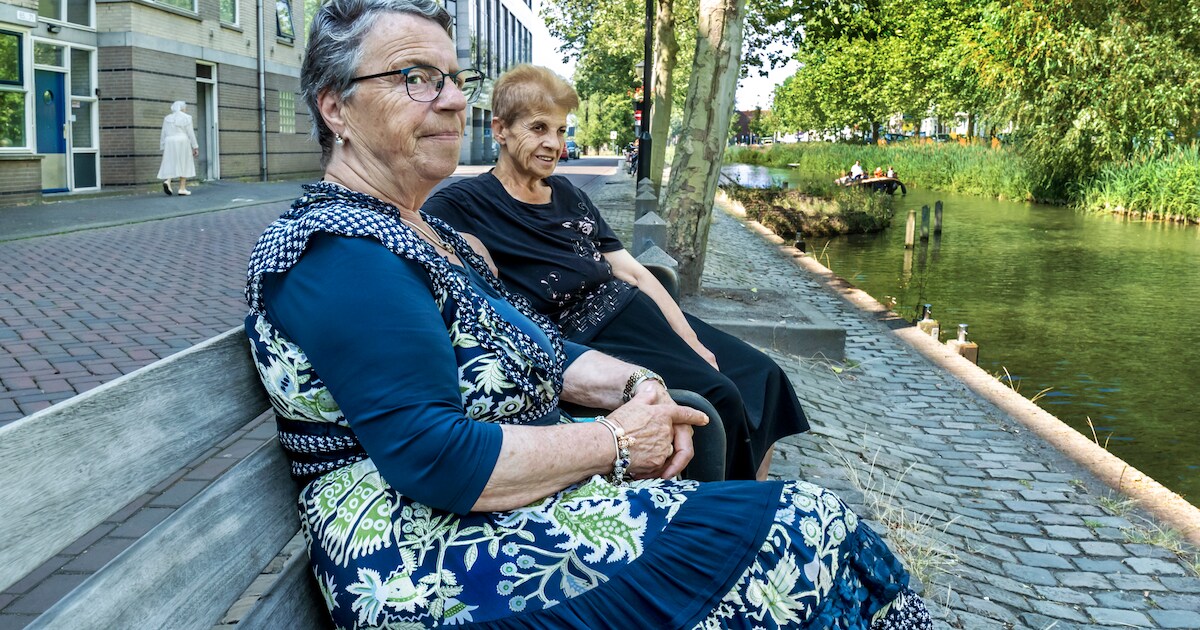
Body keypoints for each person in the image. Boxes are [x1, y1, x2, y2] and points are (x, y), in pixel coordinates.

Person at [244, 1, 931, 627]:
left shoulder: (430, 233)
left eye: (455, 79)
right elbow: (435, 458)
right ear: (336, 107)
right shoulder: (338, 248)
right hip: (428, 561)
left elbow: (541, 343)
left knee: (800, 519)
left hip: (518, 513)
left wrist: (641, 387)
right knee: (808, 529)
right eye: (416, 77)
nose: (452, 100)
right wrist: (618, 441)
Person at [424, 65, 809, 483]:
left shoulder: (569, 195)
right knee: (716, 397)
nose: (553, 144)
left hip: (637, 311)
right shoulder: (461, 204)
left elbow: (636, 274)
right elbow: (469, 291)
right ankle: (729, 518)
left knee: (765, 376)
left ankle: (754, 493)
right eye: (538, 128)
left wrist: (693, 341)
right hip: (589, 338)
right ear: (500, 129)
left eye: (559, 130)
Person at [156, 101, 199, 195]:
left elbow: (163, 132)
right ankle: (182, 188)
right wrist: (195, 146)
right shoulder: (187, 117)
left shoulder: (167, 118)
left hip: (169, 141)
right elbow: (190, 133)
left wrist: (163, 145)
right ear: (183, 108)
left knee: (171, 161)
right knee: (184, 162)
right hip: (182, 140)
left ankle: (168, 180)